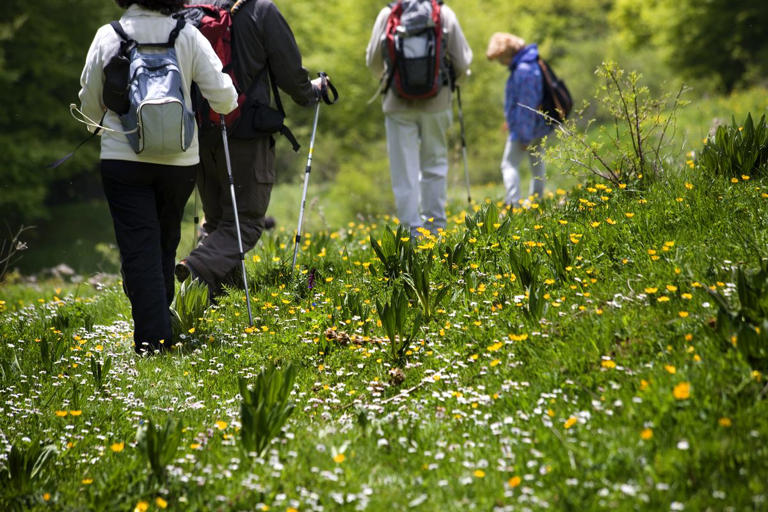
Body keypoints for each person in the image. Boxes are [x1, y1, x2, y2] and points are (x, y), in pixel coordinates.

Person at [78, 0, 238, 354]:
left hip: (123, 158)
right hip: (180, 160)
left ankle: (154, 340)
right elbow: (225, 99)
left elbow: (89, 108)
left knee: (140, 246)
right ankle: (160, 322)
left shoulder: (109, 36)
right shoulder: (187, 35)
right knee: (164, 240)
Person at [175, 0, 325, 294]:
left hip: (201, 131)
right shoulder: (260, 11)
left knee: (219, 220)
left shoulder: (192, 9)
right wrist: (312, 92)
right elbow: (290, 72)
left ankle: (221, 295)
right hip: (245, 129)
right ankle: (196, 265)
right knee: (245, 223)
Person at [366, 1, 473, 238]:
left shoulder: (388, 14)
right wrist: (452, 84)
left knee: (404, 171)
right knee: (434, 165)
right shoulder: (443, 13)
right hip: (437, 101)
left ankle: (411, 233)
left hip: (397, 103)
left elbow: (372, 59)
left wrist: (391, 80)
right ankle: (436, 229)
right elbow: (463, 63)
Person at [486, 33, 552, 209]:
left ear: (507, 53)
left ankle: (513, 204)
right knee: (536, 159)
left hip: (528, 127)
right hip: (538, 125)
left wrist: (523, 136)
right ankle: (537, 200)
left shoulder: (523, 70)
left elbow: (526, 106)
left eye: (500, 59)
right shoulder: (531, 63)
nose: (501, 63)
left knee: (508, 164)